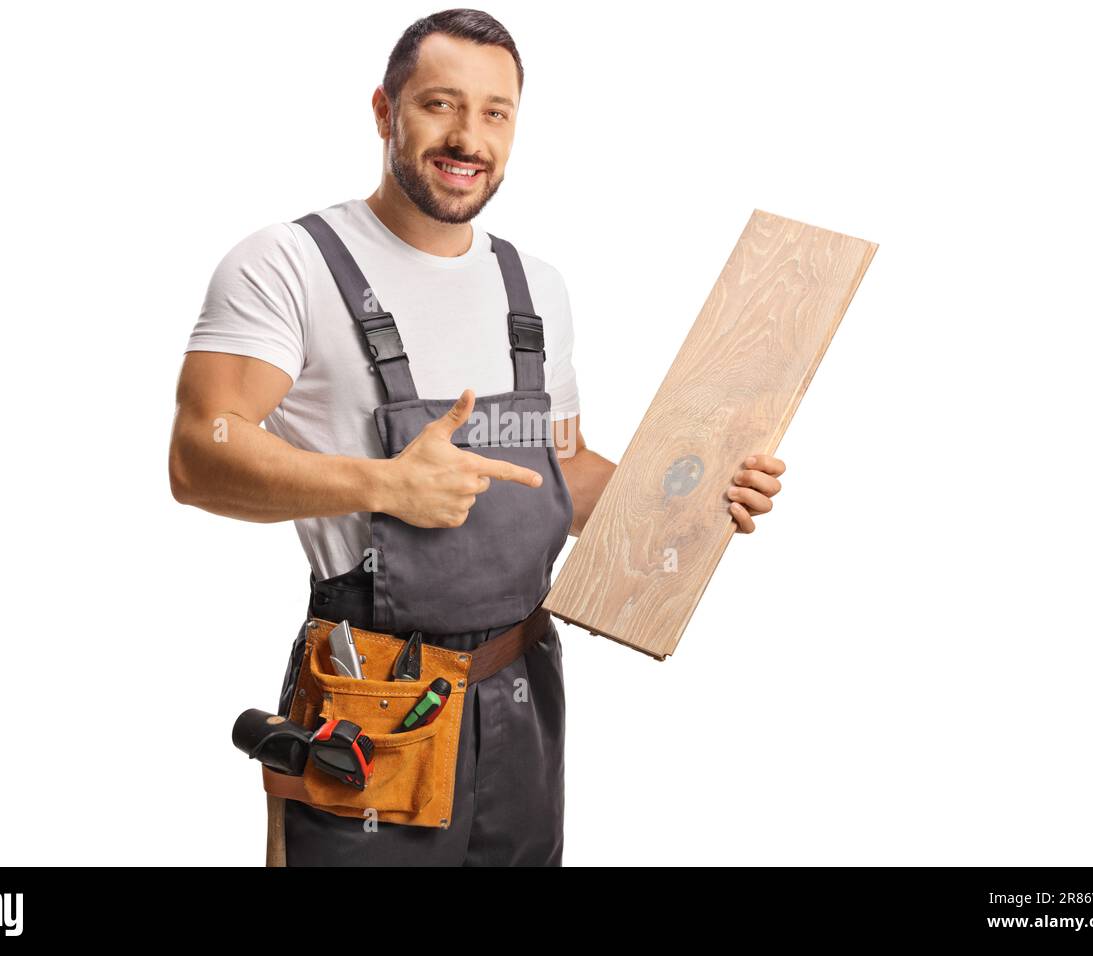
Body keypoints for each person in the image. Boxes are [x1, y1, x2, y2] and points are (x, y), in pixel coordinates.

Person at [169, 8, 786, 866]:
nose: (468, 137)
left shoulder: (533, 287)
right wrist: (381, 484)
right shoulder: (286, 264)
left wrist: (699, 494)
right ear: (385, 111)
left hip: (522, 689)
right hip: (374, 699)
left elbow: (563, 471)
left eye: (495, 112)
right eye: (440, 105)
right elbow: (201, 455)